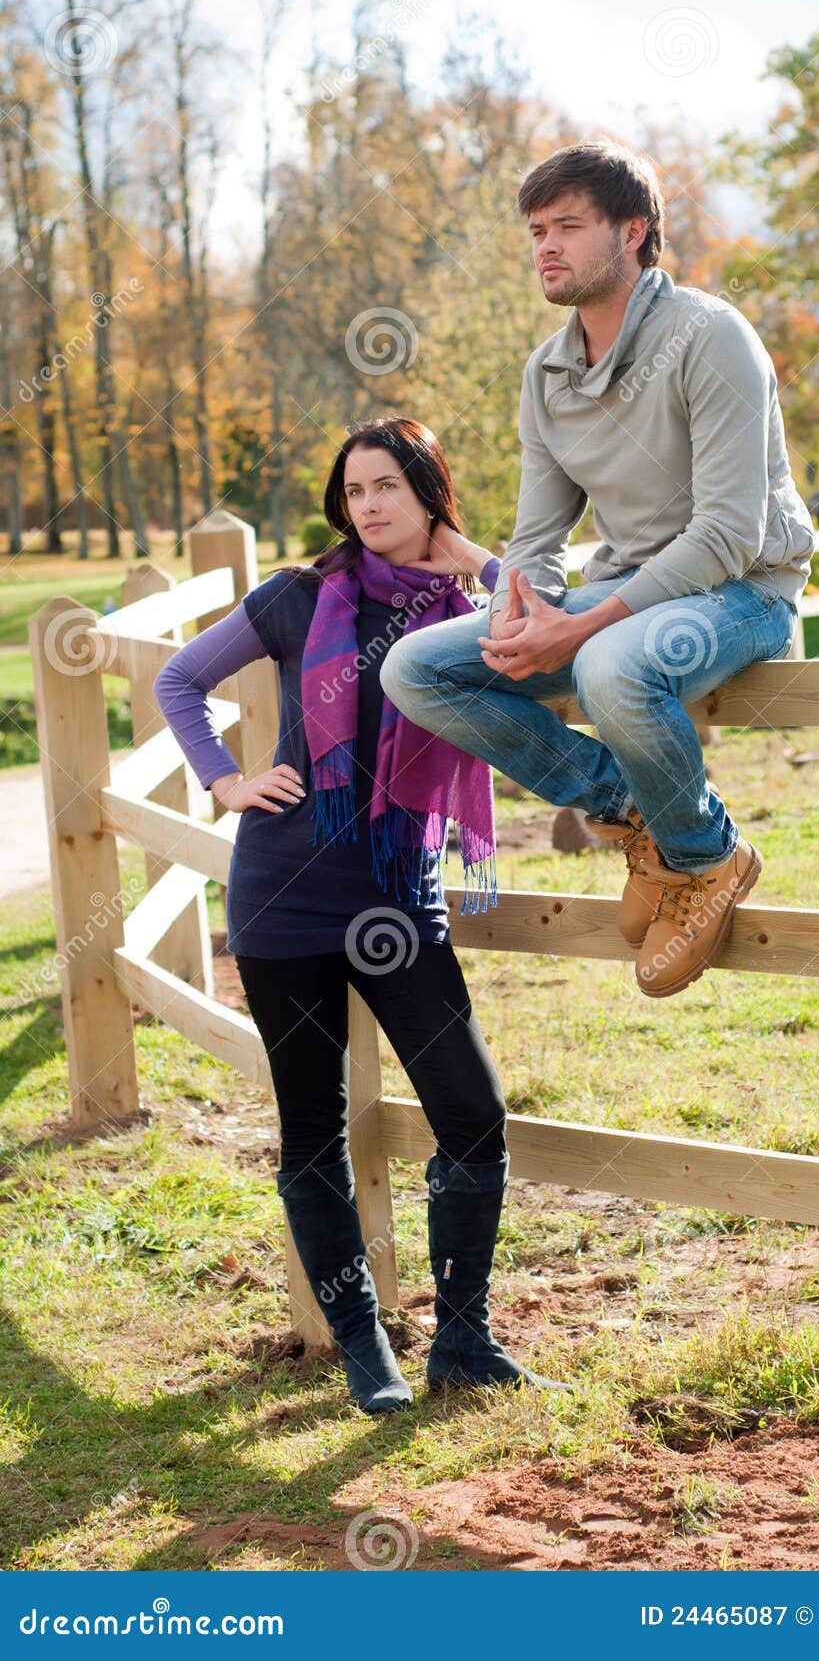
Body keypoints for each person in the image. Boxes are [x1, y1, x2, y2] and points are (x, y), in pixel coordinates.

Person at [153, 418, 567, 1415]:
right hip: (284, 903)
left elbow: (549, 610)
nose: (369, 506)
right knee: (314, 1128)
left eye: (389, 486)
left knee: (470, 1108)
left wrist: (464, 556)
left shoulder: (470, 610)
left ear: (429, 490)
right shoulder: (302, 598)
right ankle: (361, 1346)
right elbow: (180, 680)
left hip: (401, 898)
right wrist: (225, 783)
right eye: (354, 490)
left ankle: (462, 1338)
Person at [380, 142, 815, 1000]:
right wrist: (521, 612)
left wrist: (577, 628)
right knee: (415, 667)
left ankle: (706, 857)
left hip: (743, 591)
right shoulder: (545, 371)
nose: (545, 245)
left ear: (633, 230)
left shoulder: (710, 335)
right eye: (536, 230)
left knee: (611, 666)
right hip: (626, 595)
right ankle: (639, 818)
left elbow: (730, 531)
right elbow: (539, 534)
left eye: (568, 227)